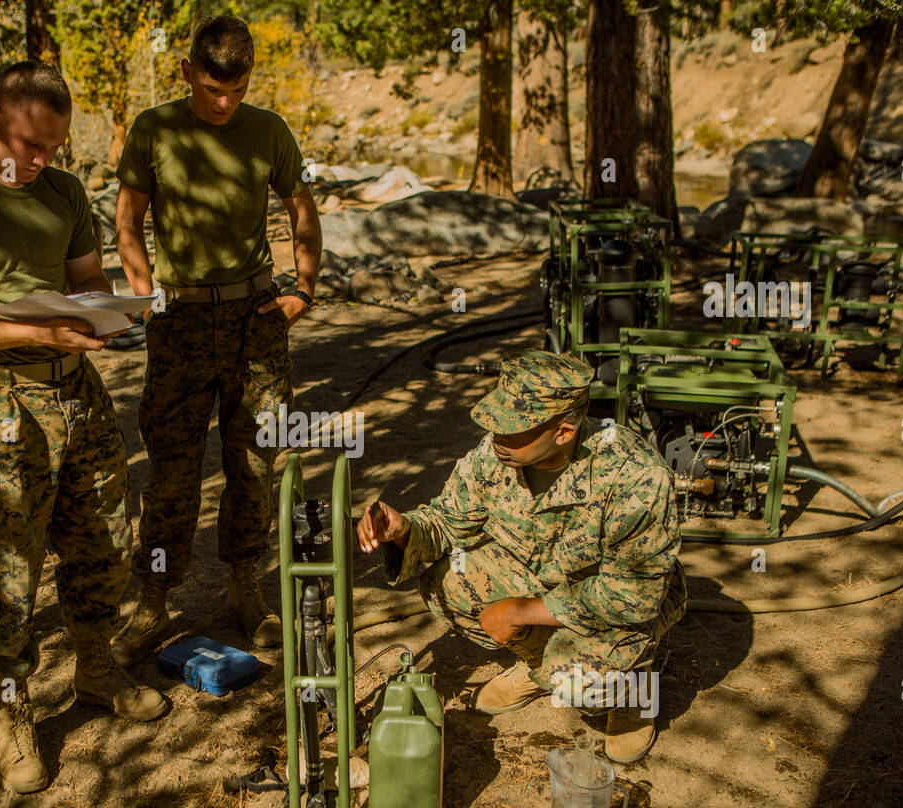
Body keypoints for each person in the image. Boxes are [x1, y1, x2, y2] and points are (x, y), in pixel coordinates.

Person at [0, 61, 168, 796]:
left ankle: (96, 668)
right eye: (29, 144)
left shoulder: (63, 192)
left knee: (105, 541)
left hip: (77, 397)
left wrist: (98, 314)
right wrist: (36, 330)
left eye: (53, 149)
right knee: (9, 572)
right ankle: (12, 707)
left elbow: (88, 283)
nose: (40, 162)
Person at [356, 351, 687, 763]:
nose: (496, 437)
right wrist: (404, 529)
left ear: (564, 432)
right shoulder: (496, 454)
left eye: (512, 429)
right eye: (494, 423)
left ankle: (633, 687)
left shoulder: (636, 478)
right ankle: (539, 667)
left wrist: (518, 611)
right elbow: (447, 521)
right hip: (546, 580)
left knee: (579, 686)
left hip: (619, 605)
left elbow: (631, 595)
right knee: (449, 580)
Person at [112, 14, 322, 663]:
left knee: (255, 465)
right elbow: (128, 218)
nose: (225, 104)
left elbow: (302, 207)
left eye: (236, 91)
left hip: (254, 320)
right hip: (178, 322)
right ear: (187, 74)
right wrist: (146, 299)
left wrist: (303, 288)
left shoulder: (268, 130)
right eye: (212, 92)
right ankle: (152, 599)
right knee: (172, 474)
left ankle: (244, 589)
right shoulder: (155, 130)